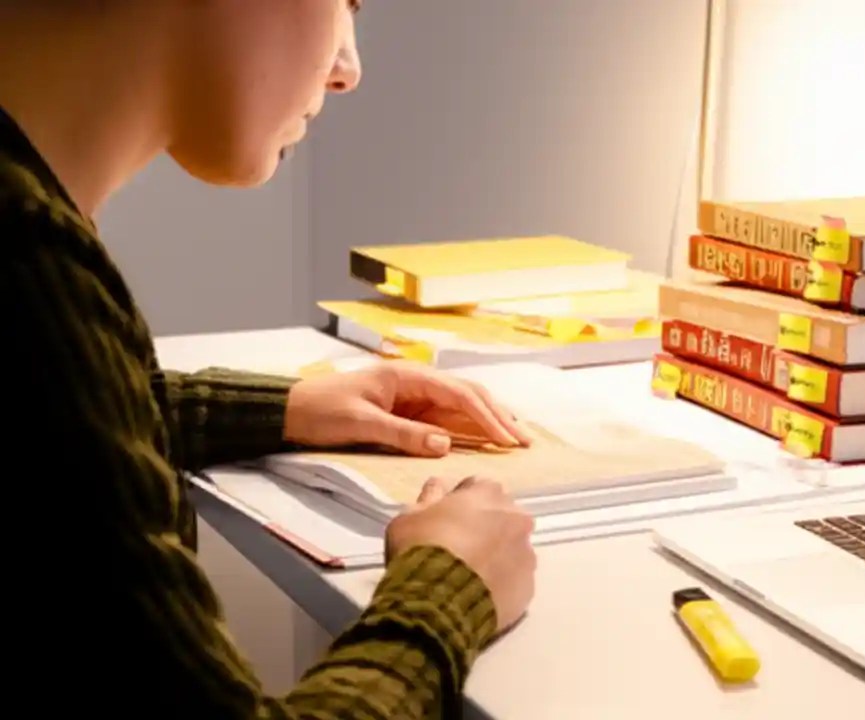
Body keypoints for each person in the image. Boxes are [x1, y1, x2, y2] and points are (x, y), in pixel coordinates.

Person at [1, 2, 538, 717]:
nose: (348, 69)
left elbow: (57, 435)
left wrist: (283, 409)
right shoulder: (26, 263)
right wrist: (446, 590)